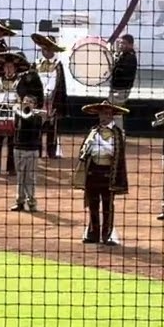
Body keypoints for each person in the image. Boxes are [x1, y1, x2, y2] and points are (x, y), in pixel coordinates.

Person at [73, 101, 130, 245]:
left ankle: (108, 235)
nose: (103, 116)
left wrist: (100, 144)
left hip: (108, 173)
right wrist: (87, 149)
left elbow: (115, 153)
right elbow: (84, 153)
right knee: (93, 204)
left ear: (112, 115)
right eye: (102, 113)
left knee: (107, 205)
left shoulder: (118, 134)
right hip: (93, 172)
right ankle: (92, 234)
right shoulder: (93, 131)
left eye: (107, 113)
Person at [0, 51, 27, 176]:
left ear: (15, 68)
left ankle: (11, 168)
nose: (8, 69)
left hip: (13, 114)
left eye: (10, 67)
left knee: (12, 142)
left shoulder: (20, 81)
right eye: (6, 67)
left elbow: (22, 98)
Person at [30, 34, 68, 158]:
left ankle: (52, 152)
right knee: (37, 127)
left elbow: (60, 85)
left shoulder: (58, 65)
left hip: (52, 100)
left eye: (48, 48)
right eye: (44, 48)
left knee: (52, 128)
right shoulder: (36, 64)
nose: (45, 50)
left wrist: (58, 102)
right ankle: (38, 151)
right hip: (38, 100)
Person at [11, 96, 44, 213]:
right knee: (20, 177)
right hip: (18, 148)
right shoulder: (17, 113)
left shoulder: (37, 117)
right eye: (25, 101)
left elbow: (28, 120)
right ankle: (19, 202)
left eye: (30, 102)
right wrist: (18, 110)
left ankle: (31, 203)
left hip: (32, 150)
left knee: (30, 177)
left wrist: (30, 112)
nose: (27, 103)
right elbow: (16, 125)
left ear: (34, 104)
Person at [108, 34, 136, 129]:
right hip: (117, 88)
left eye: (124, 43)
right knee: (113, 112)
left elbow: (121, 73)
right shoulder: (124, 55)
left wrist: (113, 66)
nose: (121, 45)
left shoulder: (130, 57)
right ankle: (115, 133)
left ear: (131, 45)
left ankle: (118, 135)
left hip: (121, 90)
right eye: (120, 43)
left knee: (115, 112)